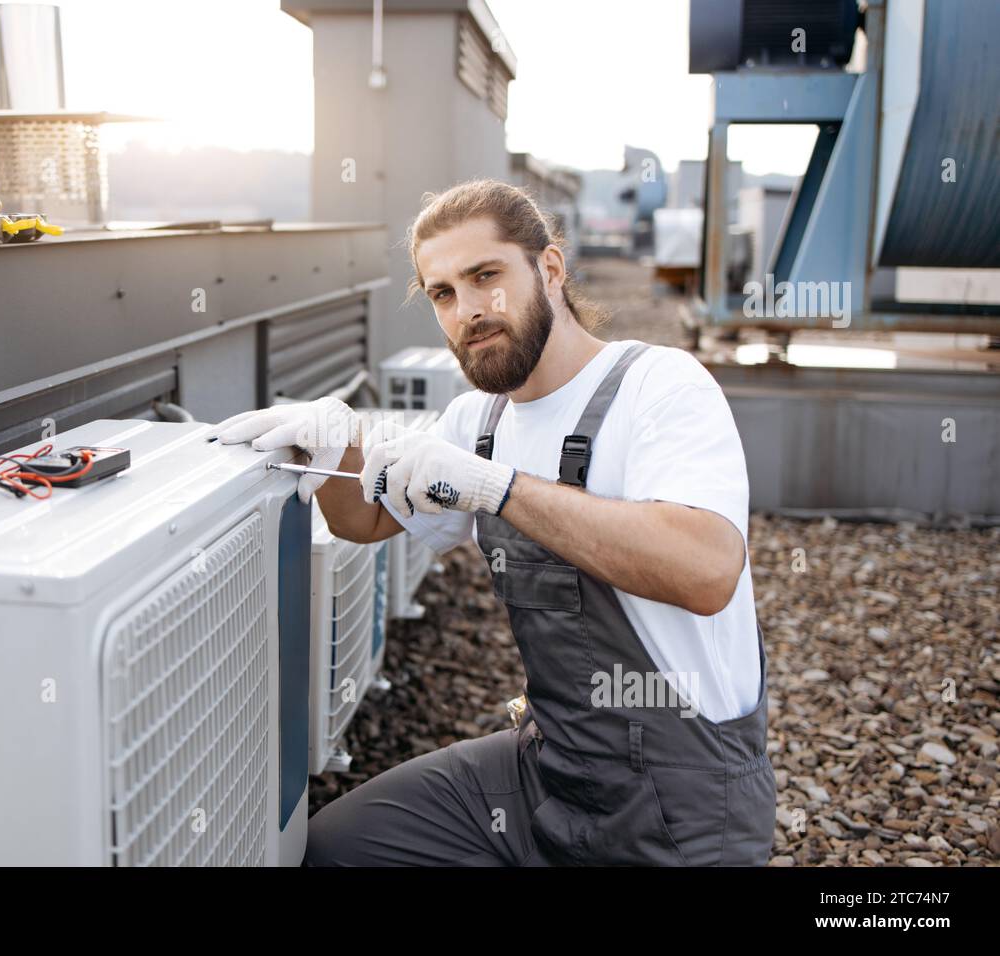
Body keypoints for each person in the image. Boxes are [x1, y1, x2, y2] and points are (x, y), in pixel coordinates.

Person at [205, 179, 776, 866]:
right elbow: (367, 519)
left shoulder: (659, 387)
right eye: (443, 293)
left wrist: (500, 489)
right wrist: (335, 449)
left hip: (680, 801)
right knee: (337, 850)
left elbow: (706, 570)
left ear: (551, 269)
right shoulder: (479, 422)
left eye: (486, 277)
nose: (469, 311)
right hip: (546, 770)